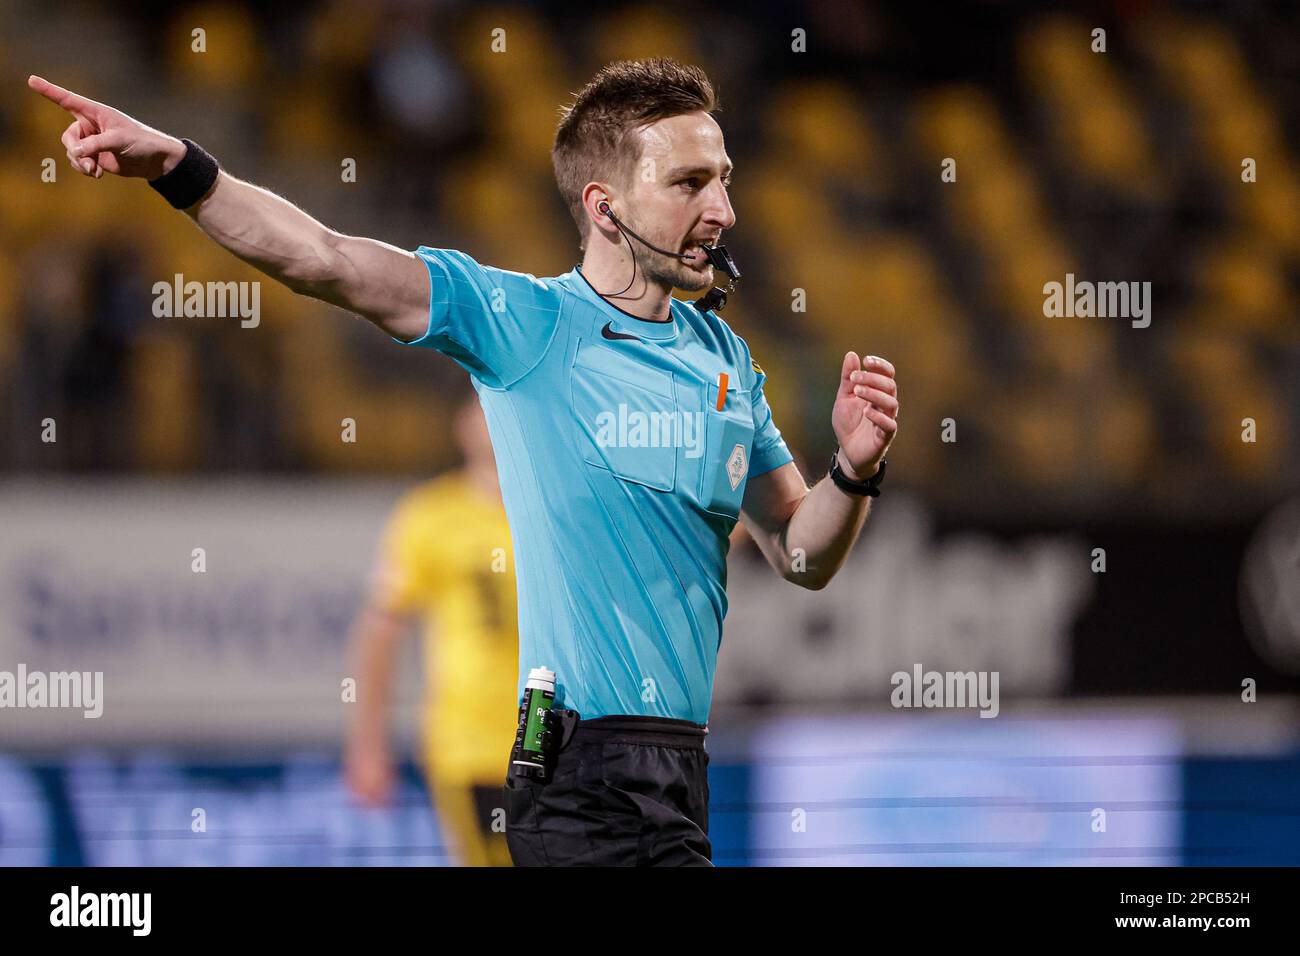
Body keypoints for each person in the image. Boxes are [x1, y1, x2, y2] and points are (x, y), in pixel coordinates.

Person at [29, 56, 900, 866]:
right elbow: (324, 259)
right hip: (580, 764)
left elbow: (798, 552)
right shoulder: (527, 325)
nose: (724, 209)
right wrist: (181, 165)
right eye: (690, 183)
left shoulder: (725, 360)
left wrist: (854, 471)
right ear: (605, 207)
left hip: (680, 761)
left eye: (725, 180)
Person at [344, 389, 515, 867]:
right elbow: (379, 631)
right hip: (473, 743)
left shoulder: (559, 510)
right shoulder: (431, 516)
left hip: (562, 739)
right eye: (485, 409)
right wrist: (369, 745)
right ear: (463, 426)